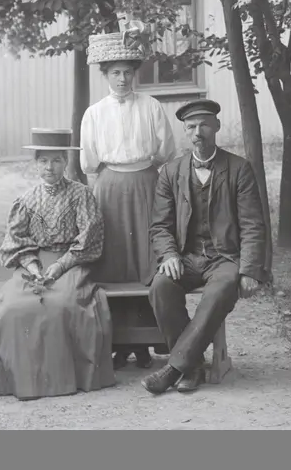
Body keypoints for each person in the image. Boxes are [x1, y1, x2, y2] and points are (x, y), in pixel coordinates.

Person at [141, 99, 269, 395]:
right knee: (161, 286)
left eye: (204, 125)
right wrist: (169, 255)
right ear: (185, 132)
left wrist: (249, 270)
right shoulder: (171, 172)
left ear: (217, 127)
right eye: (191, 127)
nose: (198, 132)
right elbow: (159, 225)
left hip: (224, 257)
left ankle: (174, 368)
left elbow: (253, 224)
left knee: (220, 289)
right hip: (186, 256)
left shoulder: (239, 169)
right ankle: (193, 366)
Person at [0, 128, 115, 401]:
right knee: (13, 307)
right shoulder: (26, 200)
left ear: (65, 162)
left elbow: (88, 238)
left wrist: (59, 267)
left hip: (72, 261)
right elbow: (16, 241)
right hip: (34, 262)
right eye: (44, 161)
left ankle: (62, 379)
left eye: (56, 160)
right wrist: (34, 268)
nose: (50, 167)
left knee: (63, 303)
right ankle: (23, 380)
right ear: (36, 163)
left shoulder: (81, 194)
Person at [80, 27, 177, 369]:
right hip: (109, 188)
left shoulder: (151, 106)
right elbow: (89, 161)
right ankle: (119, 343)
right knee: (115, 259)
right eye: (115, 73)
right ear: (105, 75)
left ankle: (150, 338)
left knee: (145, 257)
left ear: (135, 74)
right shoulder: (94, 113)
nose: (122, 79)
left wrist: (145, 170)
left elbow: (166, 151)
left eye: (127, 73)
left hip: (146, 183)